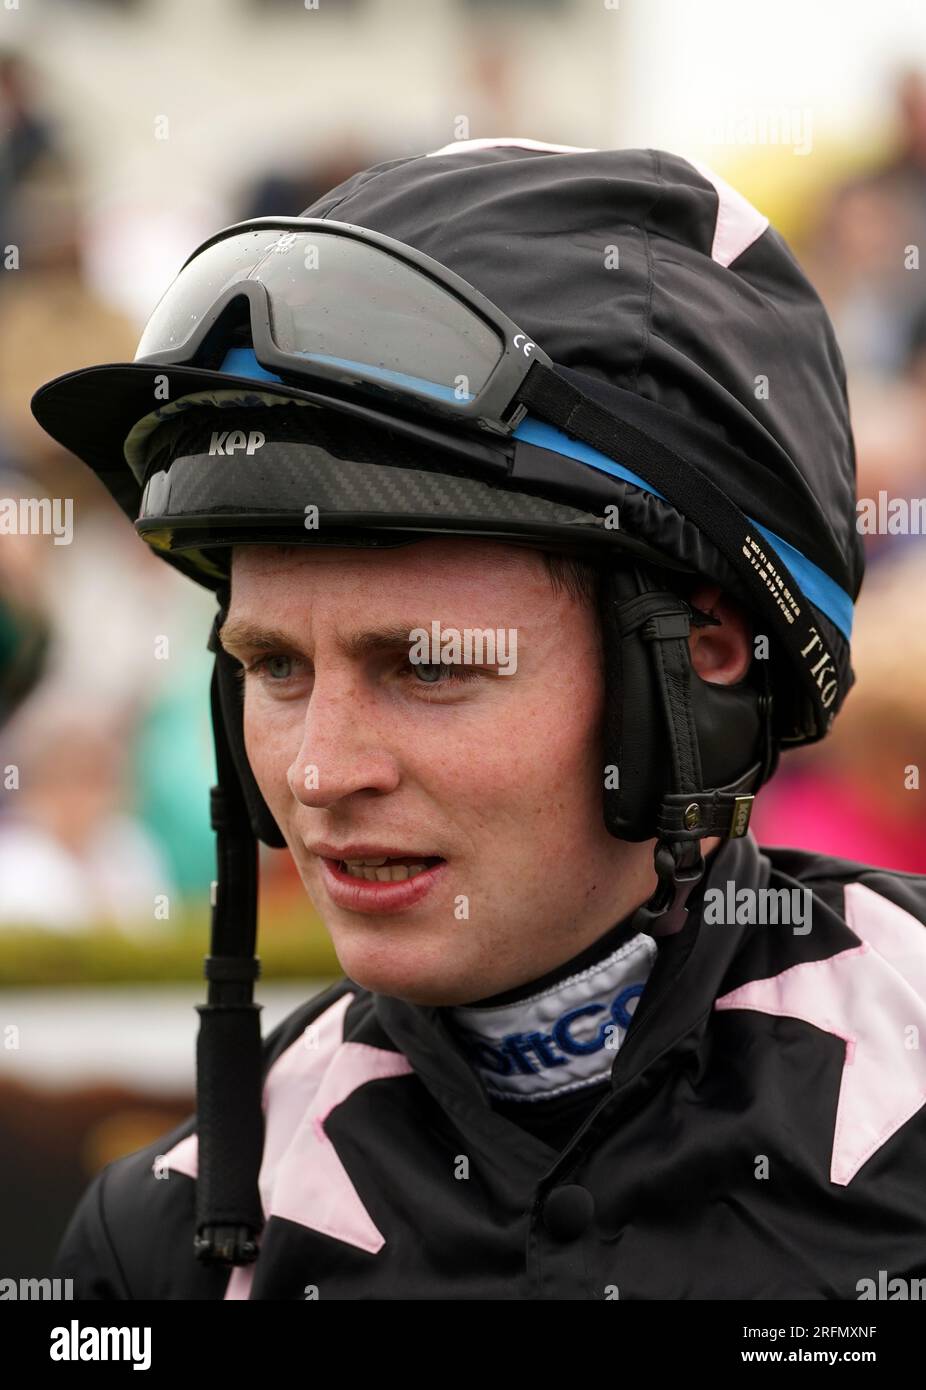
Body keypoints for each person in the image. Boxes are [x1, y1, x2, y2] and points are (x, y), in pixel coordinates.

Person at [31, 140, 926, 1300]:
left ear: (703, 664)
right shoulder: (156, 1241)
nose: (316, 770)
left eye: (424, 668)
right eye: (274, 666)